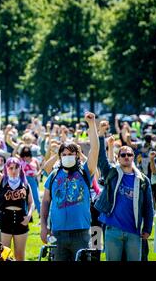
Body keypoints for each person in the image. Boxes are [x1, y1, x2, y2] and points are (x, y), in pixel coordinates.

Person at [40, 112, 99, 261]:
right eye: (64, 154)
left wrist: (91, 125)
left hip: (81, 232)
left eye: (71, 153)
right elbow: (46, 201)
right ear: (60, 157)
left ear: (77, 155)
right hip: (58, 233)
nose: (68, 156)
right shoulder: (54, 175)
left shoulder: (85, 171)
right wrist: (43, 226)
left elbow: (95, 150)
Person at [95, 121, 154, 261]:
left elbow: (148, 207)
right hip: (112, 230)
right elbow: (101, 158)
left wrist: (147, 228)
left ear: (133, 157)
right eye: (123, 155)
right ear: (118, 158)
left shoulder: (143, 180)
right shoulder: (112, 173)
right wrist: (101, 134)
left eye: (129, 154)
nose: (126, 157)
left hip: (134, 231)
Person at [0, 141, 33, 261]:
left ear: (20, 168)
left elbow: (31, 202)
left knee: (20, 256)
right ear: (6, 168)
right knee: (4, 255)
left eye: (16, 167)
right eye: (11, 168)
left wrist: (29, 216)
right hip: (5, 219)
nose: (13, 170)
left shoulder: (25, 183)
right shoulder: (2, 180)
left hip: (21, 219)